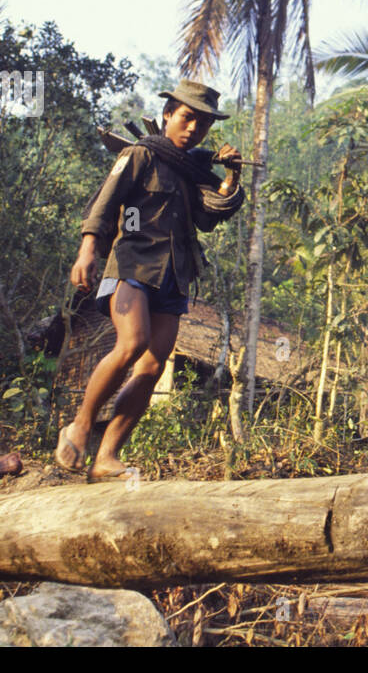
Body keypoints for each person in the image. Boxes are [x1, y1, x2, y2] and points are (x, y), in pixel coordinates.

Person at [61, 80, 246, 480]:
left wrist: (231, 175)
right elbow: (105, 202)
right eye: (187, 117)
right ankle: (78, 426)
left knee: (151, 366)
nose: (194, 128)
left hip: (174, 276)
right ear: (168, 115)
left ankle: (106, 456)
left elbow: (209, 218)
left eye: (203, 123)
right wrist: (88, 250)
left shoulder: (193, 170)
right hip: (132, 266)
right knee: (133, 344)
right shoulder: (140, 154)